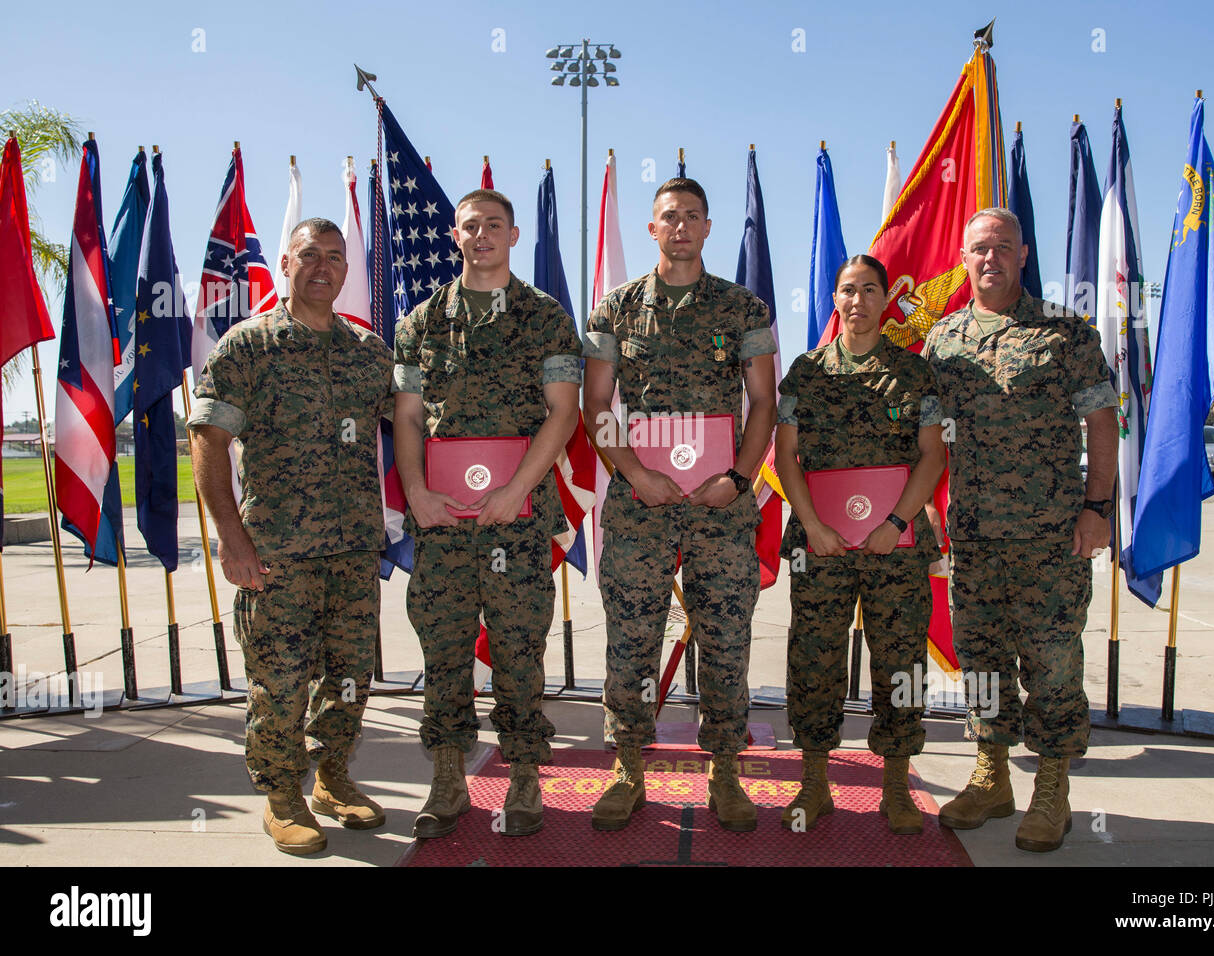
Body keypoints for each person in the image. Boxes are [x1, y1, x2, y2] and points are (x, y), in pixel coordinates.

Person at [190, 217, 395, 856]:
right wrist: (232, 537)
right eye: (311, 256)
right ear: (286, 262)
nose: (324, 268)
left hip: (354, 550)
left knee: (349, 674)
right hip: (277, 552)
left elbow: (419, 421)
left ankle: (333, 777)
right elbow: (208, 440)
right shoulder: (247, 348)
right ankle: (283, 795)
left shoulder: (369, 354)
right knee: (278, 679)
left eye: (336, 257)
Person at [582, 177, 777, 832]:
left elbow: (765, 404)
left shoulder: (744, 309)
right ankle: (629, 767)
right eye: (670, 216)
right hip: (641, 502)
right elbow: (595, 406)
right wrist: (632, 471)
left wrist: (741, 479)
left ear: (708, 226)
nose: (682, 226)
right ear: (652, 228)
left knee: (725, 635)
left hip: (719, 504)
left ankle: (724, 767)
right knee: (632, 636)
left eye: (693, 216)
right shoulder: (613, 311)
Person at [921, 207, 1119, 853]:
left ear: (1023, 254)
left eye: (1003, 247)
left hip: (1051, 537)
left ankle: (1053, 789)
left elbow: (1101, 423)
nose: (991, 258)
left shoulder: (1067, 333)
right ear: (963, 256)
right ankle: (991, 777)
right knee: (981, 662)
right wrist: (926, 509)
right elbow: (926, 437)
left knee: (1054, 664)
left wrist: (1099, 508)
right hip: (974, 536)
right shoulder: (943, 340)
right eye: (980, 247)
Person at [393, 189, 581, 838]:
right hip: (441, 519)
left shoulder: (545, 317)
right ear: (455, 234)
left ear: (513, 234)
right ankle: (447, 781)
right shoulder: (421, 321)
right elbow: (409, 416)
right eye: (470, 226)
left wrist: (515, 490)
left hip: (519, 517)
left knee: (519, 649)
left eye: (493, 226)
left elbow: (563, 413)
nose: (482, 236)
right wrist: (415, 491)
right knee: (443, 650)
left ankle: (524, 779)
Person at [774, 254, 947, 834]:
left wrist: (895, 524)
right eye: (848, 290)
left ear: (883, 299)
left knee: (899, 661)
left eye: (869, 290)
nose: (858, 301)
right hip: (820, 545)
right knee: (814, 660)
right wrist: (814, 525)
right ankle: (815, 784)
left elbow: (932, 456)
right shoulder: (805, 372)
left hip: (893, 546)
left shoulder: (915, 373)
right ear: (835, 300)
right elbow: (787, 458)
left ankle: (894, 786)